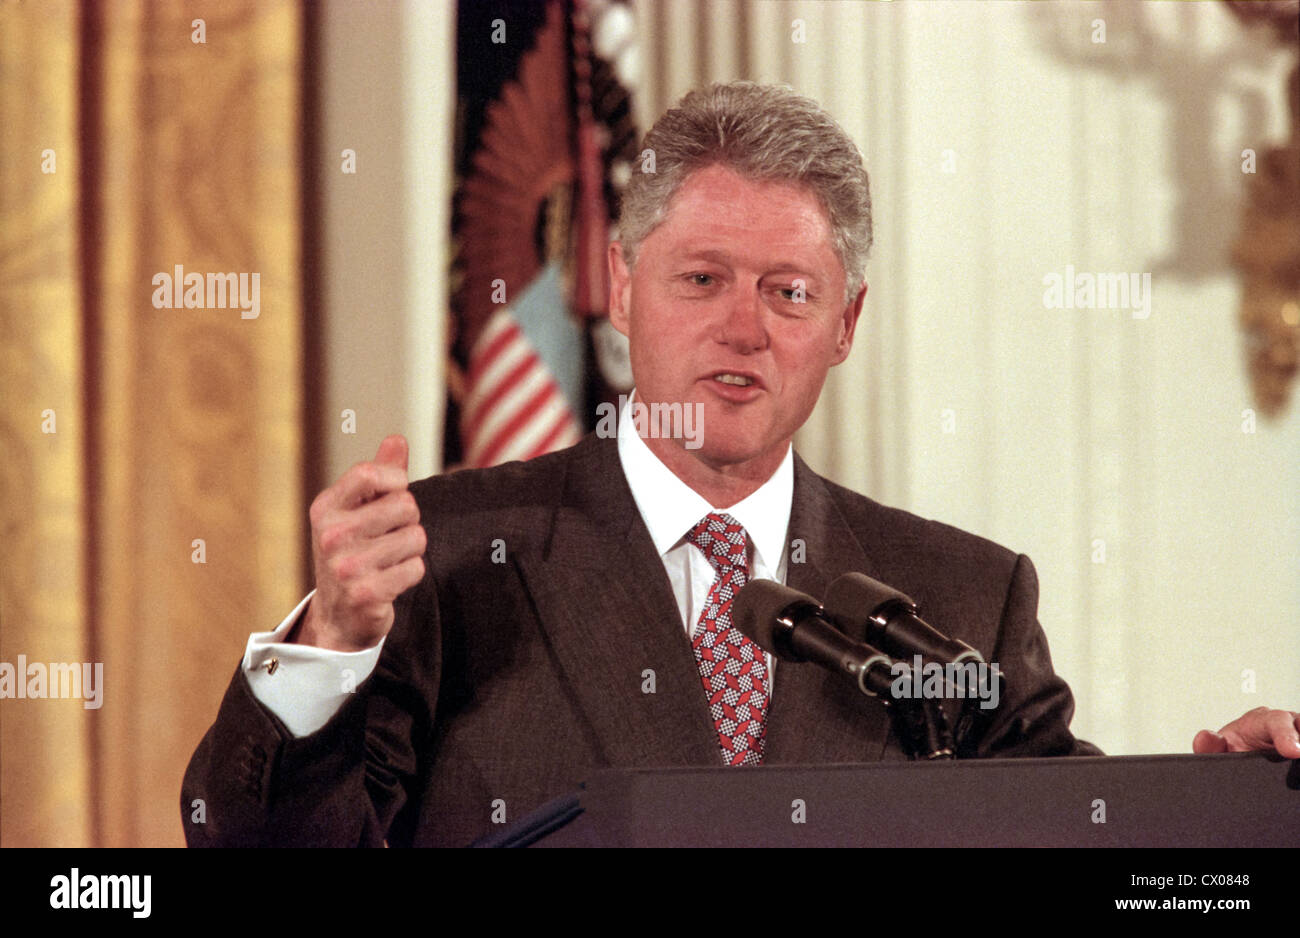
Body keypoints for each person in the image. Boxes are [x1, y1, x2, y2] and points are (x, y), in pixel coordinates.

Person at [182, 81, 1299, 847]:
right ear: (620, 287)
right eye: (701, 279)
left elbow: (1069, 833)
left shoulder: (961, 594)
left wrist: (1223, 790)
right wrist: (325, 650)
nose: (744, 329)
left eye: (788, 291)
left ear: (847, 321)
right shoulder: (449, 556)